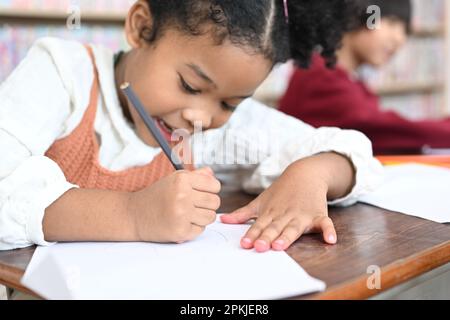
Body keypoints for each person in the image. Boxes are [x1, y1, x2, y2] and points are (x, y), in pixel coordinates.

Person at [0, 0, 381, 255]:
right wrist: (133, 214)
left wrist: (311, 175)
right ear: (141, 27)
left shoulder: (214, 127)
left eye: (231, 104)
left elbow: (350, 151)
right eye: (190, 86)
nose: (202, 117)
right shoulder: (63, 73)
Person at [280, 0, 450, 155]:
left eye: (405, 31)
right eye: (391, 22)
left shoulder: (345, 78)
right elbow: (385, 129)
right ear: (364, 16)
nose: (399, 39)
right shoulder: (320, 77)